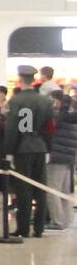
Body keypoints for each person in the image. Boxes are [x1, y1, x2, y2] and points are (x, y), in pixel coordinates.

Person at [5, 65, 55, 238]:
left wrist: (9, 151)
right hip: (40, 146)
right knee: (40, 187)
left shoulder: (16, 101)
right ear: (34, 79)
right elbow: (50, 127)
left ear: (20, 78)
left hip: (22, 148)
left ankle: (23, 228)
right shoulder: (45, 101)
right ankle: (39, 227)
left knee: (23, 188)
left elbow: (12, 128)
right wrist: (48, 148)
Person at [46, 91, 76, 230]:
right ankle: (65, 219)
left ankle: (57, 221)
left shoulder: (60, 116)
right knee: (63, 190)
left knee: (52, 188)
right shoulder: (71, 115)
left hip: (57, 155)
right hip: (68, 156)